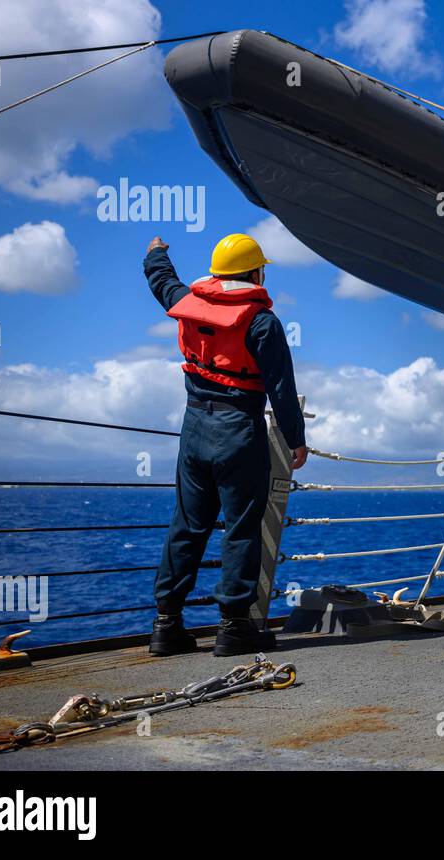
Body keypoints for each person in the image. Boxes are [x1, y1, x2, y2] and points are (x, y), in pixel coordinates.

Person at [144, 233, 308, 657]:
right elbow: (281, 388)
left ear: (218, 272)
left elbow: (162, 281)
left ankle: (166, 625)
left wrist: (157, 253)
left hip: (194, 426)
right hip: (240, 430)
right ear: (254, 272)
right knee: (240, 527)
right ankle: (233, 628)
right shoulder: (262, 322)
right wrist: (296, 440)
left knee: (187, 525)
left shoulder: (186, 302)